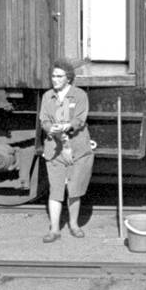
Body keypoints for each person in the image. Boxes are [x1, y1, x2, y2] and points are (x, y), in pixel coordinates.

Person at [39, 59, 94, 242]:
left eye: (59, 76)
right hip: (54, 150)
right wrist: (49, 129)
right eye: (53, 76)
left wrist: (67, 126)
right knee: (55, 190)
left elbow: (80, 119)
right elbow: (44, 120)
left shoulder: (79, 95)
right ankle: (54, 230)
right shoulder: (48, 96)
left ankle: (74, 225)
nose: (54, 79)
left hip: (77, 149)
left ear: (68, 78)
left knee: (74, 189)